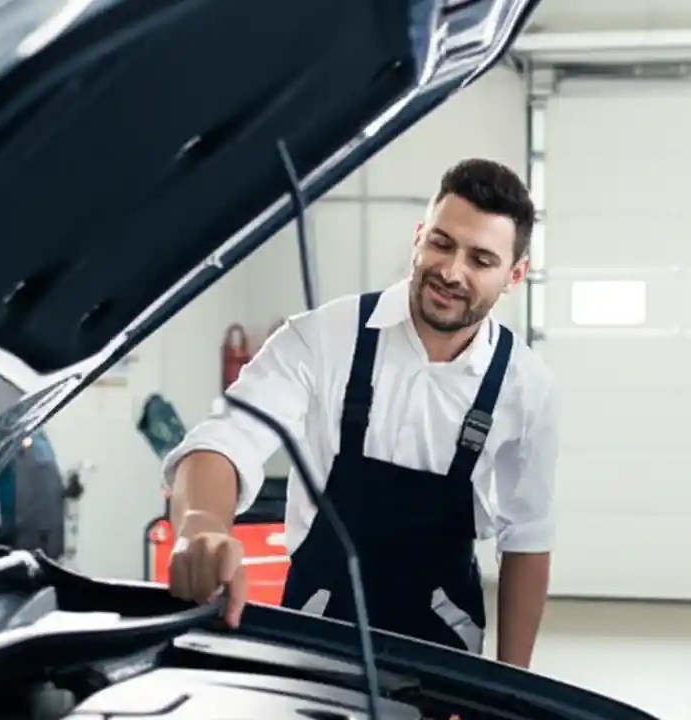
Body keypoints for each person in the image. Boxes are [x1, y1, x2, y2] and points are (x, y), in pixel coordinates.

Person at [161, 158, 559, 669]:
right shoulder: (323, 338)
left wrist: (512, 687)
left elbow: (526, 538)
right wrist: (200, 523)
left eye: (481, 260)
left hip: (441, 649)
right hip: (315, 631)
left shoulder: (528, 388)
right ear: (419, 237)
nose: (452, 271)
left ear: (515, 275)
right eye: (441, 243)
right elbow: (227, 437)